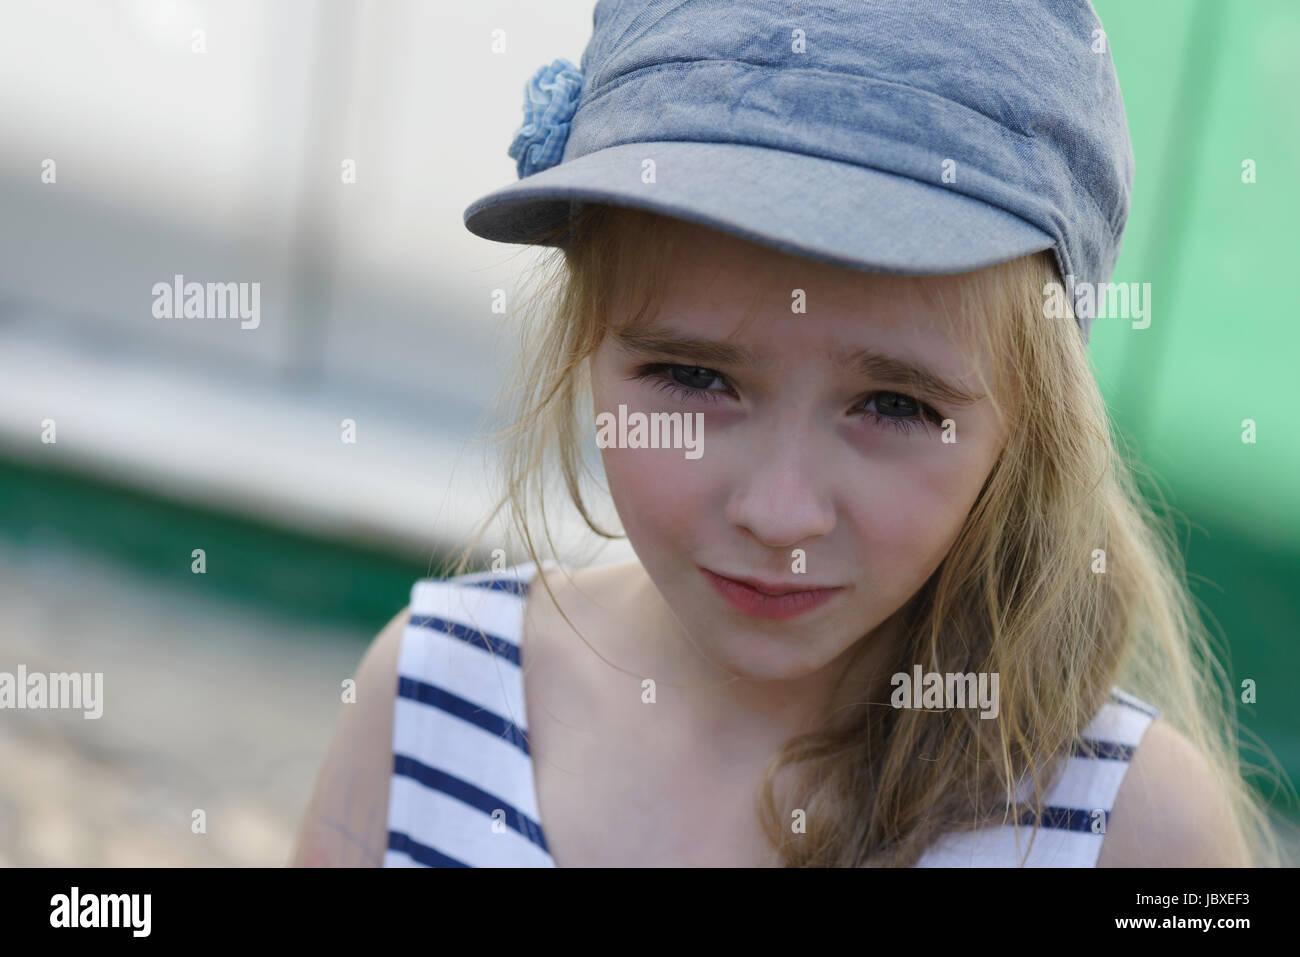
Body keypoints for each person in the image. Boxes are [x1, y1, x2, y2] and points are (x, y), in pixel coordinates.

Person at [291, 0, 1281, 867]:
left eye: (897, 406)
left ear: (1030, 424)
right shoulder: (424, 697)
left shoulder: (1133, 834)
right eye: (692, 376)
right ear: (583, 347)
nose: (779, 511)